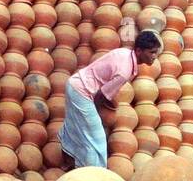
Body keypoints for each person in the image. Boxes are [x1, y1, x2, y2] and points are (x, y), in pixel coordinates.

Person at [59, 30, 162, 169]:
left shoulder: (124, 52)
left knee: (76, 128)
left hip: (74, 84)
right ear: (138, 51)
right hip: (81, 92)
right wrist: (97, 113)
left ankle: (67, 163)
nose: (154, 57)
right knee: (97, 139)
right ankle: (93, 174)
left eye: (156, 52)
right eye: (152, 52)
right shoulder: (125, 72)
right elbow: (101, 95)